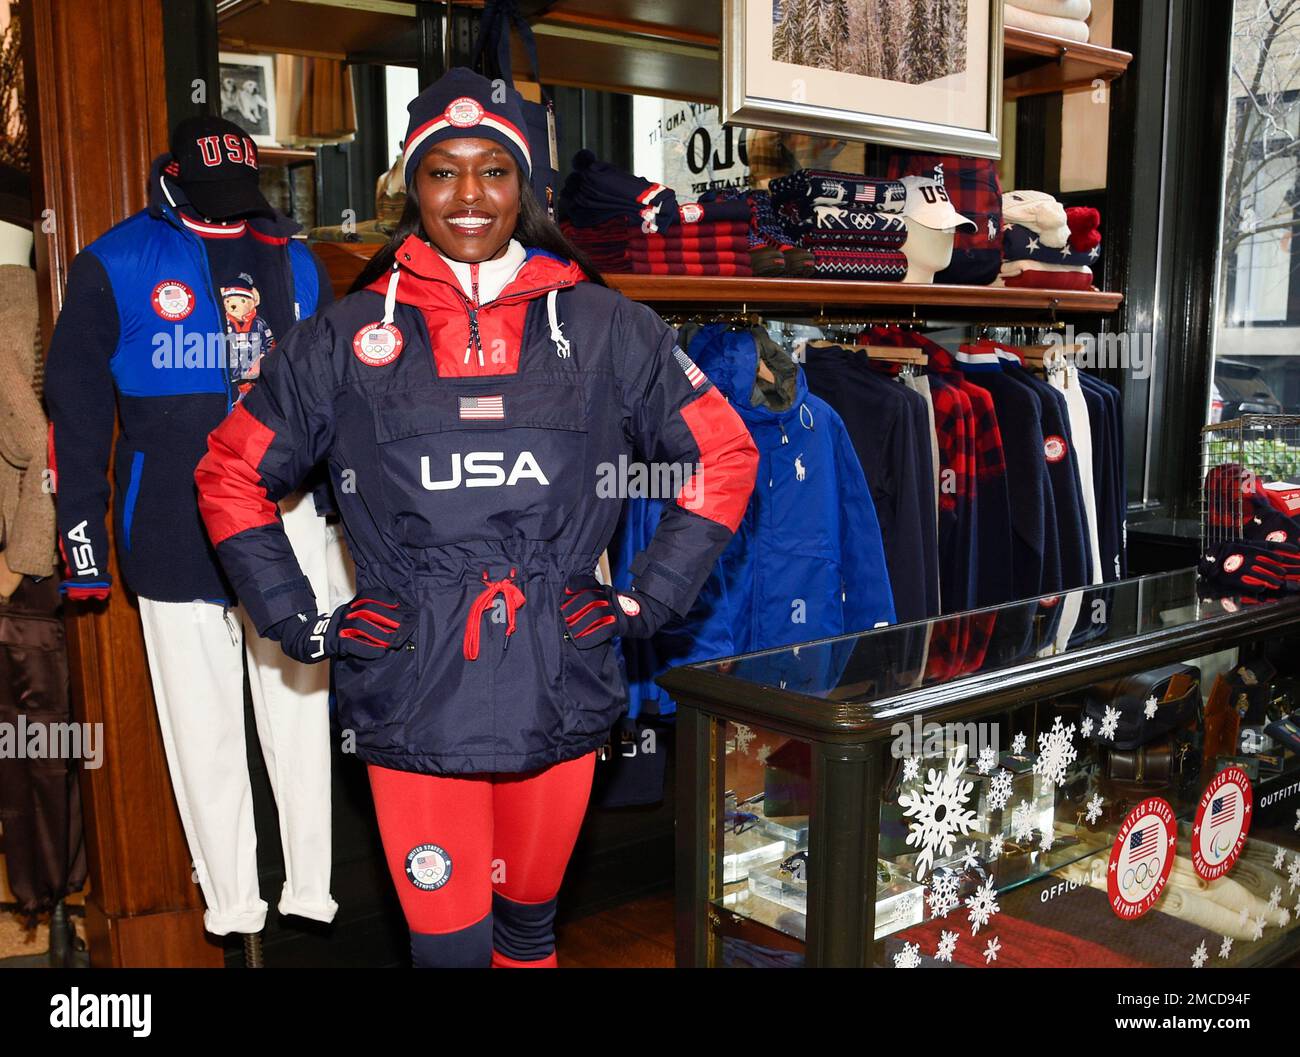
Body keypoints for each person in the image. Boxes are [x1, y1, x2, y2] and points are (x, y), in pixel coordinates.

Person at [193, 68, 759, 968]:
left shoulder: (609, 328)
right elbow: (229, 470)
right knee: (450, 950)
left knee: (529, 929)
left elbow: (723, 454)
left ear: (522, 183)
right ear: (411, 185)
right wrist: (296, 618)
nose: (468, 195)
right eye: (443, 170)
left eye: (493, 169)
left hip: (558, 677)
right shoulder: (344, 340)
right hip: (413, 691)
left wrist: (644, 603)